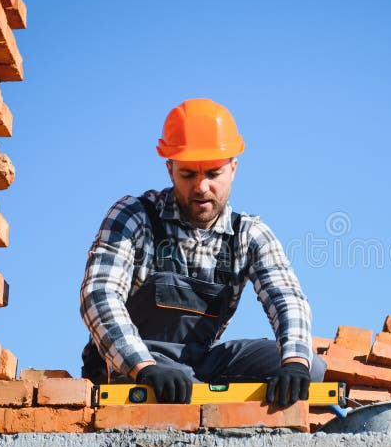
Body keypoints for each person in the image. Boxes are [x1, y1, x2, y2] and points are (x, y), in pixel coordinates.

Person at [79, 98, 327, 406]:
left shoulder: (248, 234)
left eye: (213, 174)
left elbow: (287, 298)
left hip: (201, 364)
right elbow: (99, 295)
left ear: (233, 169)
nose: (201, 187)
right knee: (187, 392)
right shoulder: (134, 216)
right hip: (131, 365)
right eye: (188, 175)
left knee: (313, 368)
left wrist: (295, 363)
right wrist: (143, 367)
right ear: (170, 169)